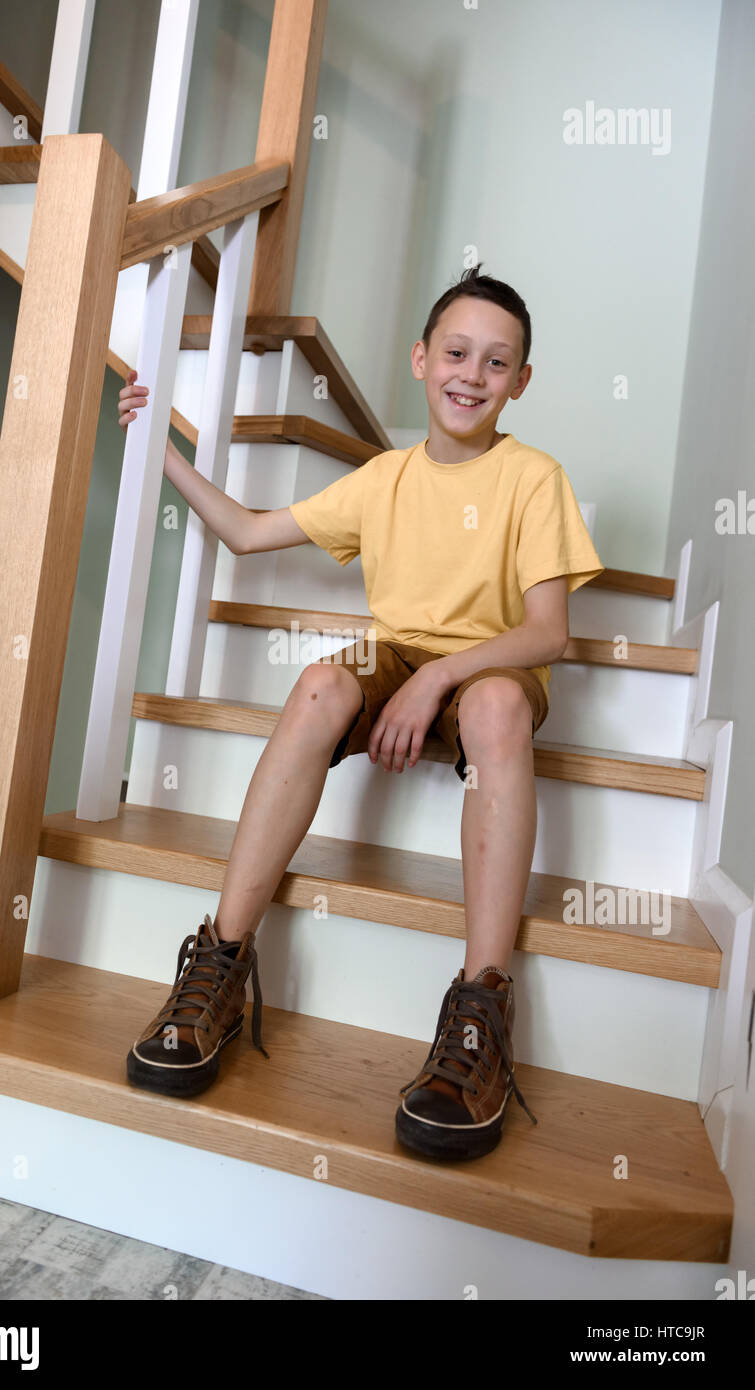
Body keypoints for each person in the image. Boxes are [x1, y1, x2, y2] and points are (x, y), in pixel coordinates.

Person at [119, 264, 604, 1161]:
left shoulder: (534, 477)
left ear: (521, 383)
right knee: (317, 681)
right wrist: (160, 450)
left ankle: (480, 1011)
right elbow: (246, 530)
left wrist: (438, 678)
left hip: (489, 666)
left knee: (495, 708)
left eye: (498, 364)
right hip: (392, 655)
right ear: (421, 359)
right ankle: (219, 966)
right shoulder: (382, 477)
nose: (472, 374)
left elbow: (546, 634)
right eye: (456, 352)